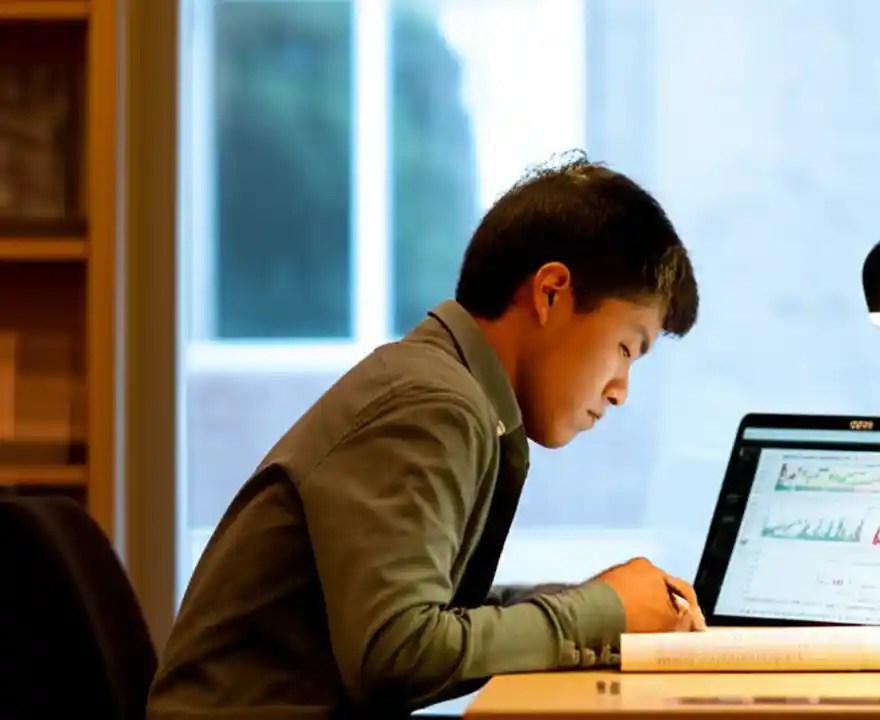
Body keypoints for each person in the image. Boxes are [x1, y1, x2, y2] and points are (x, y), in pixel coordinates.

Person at [147, 153, 705, 719]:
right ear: (551, 293)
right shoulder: (434, 404)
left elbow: (435, 619)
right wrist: (603, 611)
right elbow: (398, 652)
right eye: (627, 348)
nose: (620, 390)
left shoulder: (444, 389)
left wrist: (606, 606)